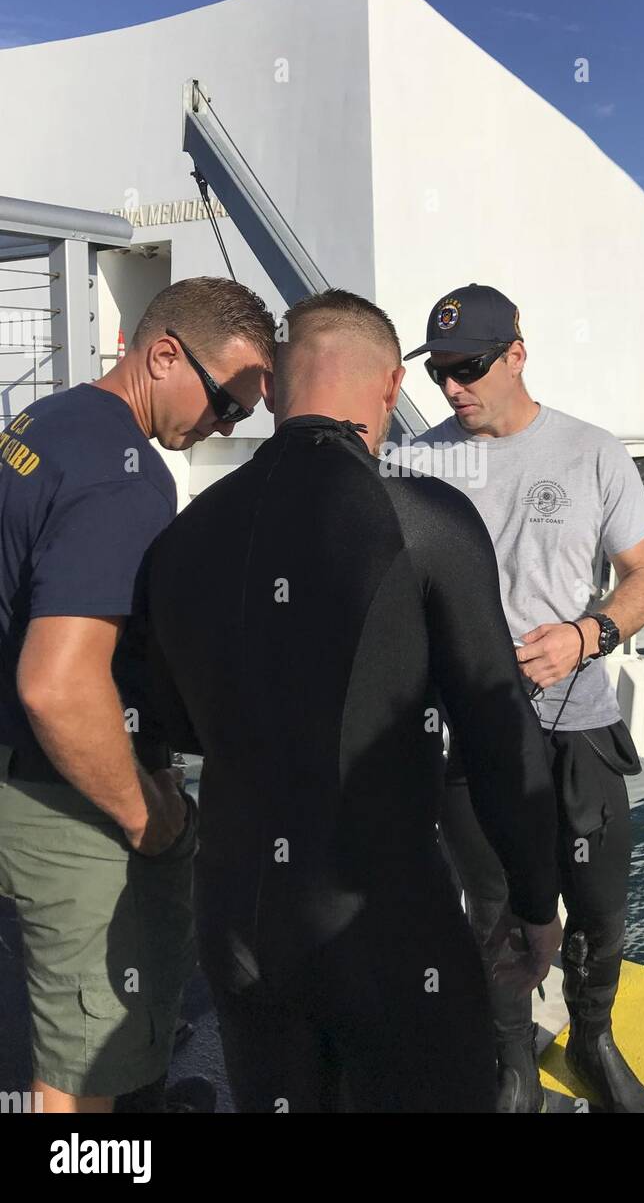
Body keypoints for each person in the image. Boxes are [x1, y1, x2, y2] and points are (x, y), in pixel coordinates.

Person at [145, 288, 561, 1113]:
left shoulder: (183, 536)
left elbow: (162, 720)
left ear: (275, 390)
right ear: (384, 390)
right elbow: (498, 730)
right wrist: (534, 902)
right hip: (386, 928)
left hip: (235, 922)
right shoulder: (425, 519)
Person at [0, 277, 274, 1114]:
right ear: (162, 355)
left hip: (18, 773)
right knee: (89, 1060)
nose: (226, 427)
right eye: (226, 401)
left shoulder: (43, 423)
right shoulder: (129, 478)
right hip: (66, 798)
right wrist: (144, 816)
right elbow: (56, 683)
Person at [404, 283, 644, 1113]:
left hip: (579, 718)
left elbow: (643, 578)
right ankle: (511, 1060)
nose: (450, 387)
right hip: (469, 729)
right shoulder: (417, 464)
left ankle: (593, 1039)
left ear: (518, 354)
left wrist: (587, 637)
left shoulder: (593, 452)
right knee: (495, 906)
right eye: (440, 371)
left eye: (468, 367)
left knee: (599, 904)